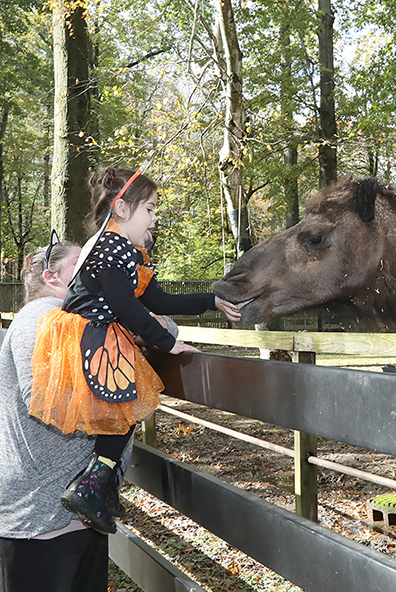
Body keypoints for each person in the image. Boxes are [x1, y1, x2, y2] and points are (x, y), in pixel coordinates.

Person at [29, 167, 242, 534]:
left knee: (122, 414)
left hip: (100, 333)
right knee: (123, 407)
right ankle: (94, 488)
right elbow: (124, 305)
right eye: (150, 209)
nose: (155, 219)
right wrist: (167, 342)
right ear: (123, 209)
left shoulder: (130, 252)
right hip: (90, 335)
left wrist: (211, 299)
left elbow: (157, 299)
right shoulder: (108, 246)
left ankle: (99, 489)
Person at [0, 239, 135, 592]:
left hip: (78, 513)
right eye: (85, 264)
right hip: (31, 517)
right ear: (52, 278)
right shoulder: (43, 318)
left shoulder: (82, 322)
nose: (101, 269)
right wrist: (125, 391)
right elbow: (50, 402)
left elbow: (164, 332)